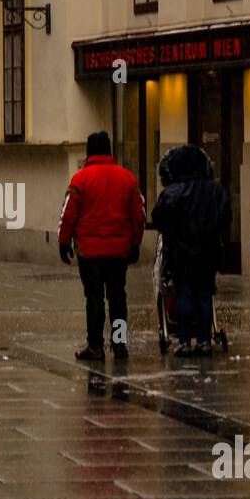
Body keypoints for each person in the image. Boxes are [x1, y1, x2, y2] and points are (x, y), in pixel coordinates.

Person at [58, 130, 146, 361]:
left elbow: (68, 214)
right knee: (118, 299)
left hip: (89, 253)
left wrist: (63, 241)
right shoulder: (127, 178)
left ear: (88, 152)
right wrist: (135, 244)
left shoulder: (80, 180)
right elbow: (138, 216)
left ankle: (95, 346)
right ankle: (119, 344)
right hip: (118, 252)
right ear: (109, 150)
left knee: (94, 299)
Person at [152, 145, 232, 357]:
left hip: (181, 253)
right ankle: (204, 339)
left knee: (184, 292)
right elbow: (226, 216)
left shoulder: (171, 192)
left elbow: (158, 218)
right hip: (208, 251)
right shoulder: (215, 190)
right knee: (205, 293)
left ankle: (184, 340)